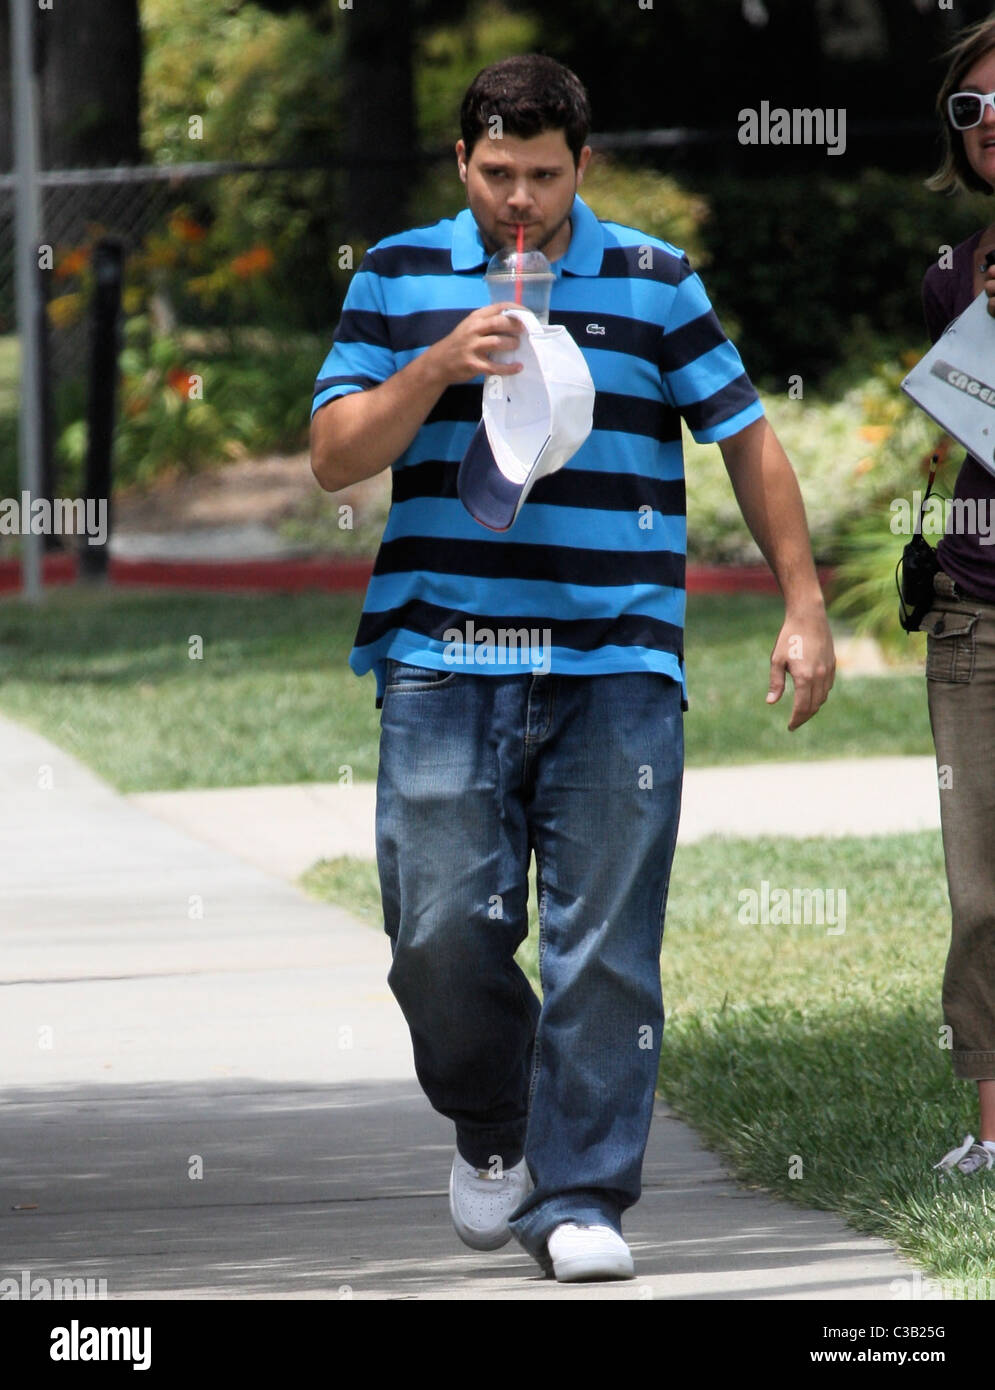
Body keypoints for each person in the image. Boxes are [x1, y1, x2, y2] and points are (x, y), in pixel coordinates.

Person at [310, 53, 834, 1280]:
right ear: (460, 162)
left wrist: (802, 602)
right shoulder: (396, 274)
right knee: (437, 937)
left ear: (581, 165)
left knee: (604, 948)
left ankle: (583, 1191)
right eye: (497, 173)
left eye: (543, 175)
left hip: (616, 662)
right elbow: (336, 455)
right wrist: (436, 364)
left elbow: (746, 440)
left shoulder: (654, 280)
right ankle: (495, 1126)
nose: (519, 200)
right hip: (444, 659)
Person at [920, 17, 995, 1178]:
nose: (989, 128)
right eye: (971, 110)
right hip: (974, 611)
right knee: (982, 889)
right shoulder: (948, 273)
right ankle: (992, 1132)